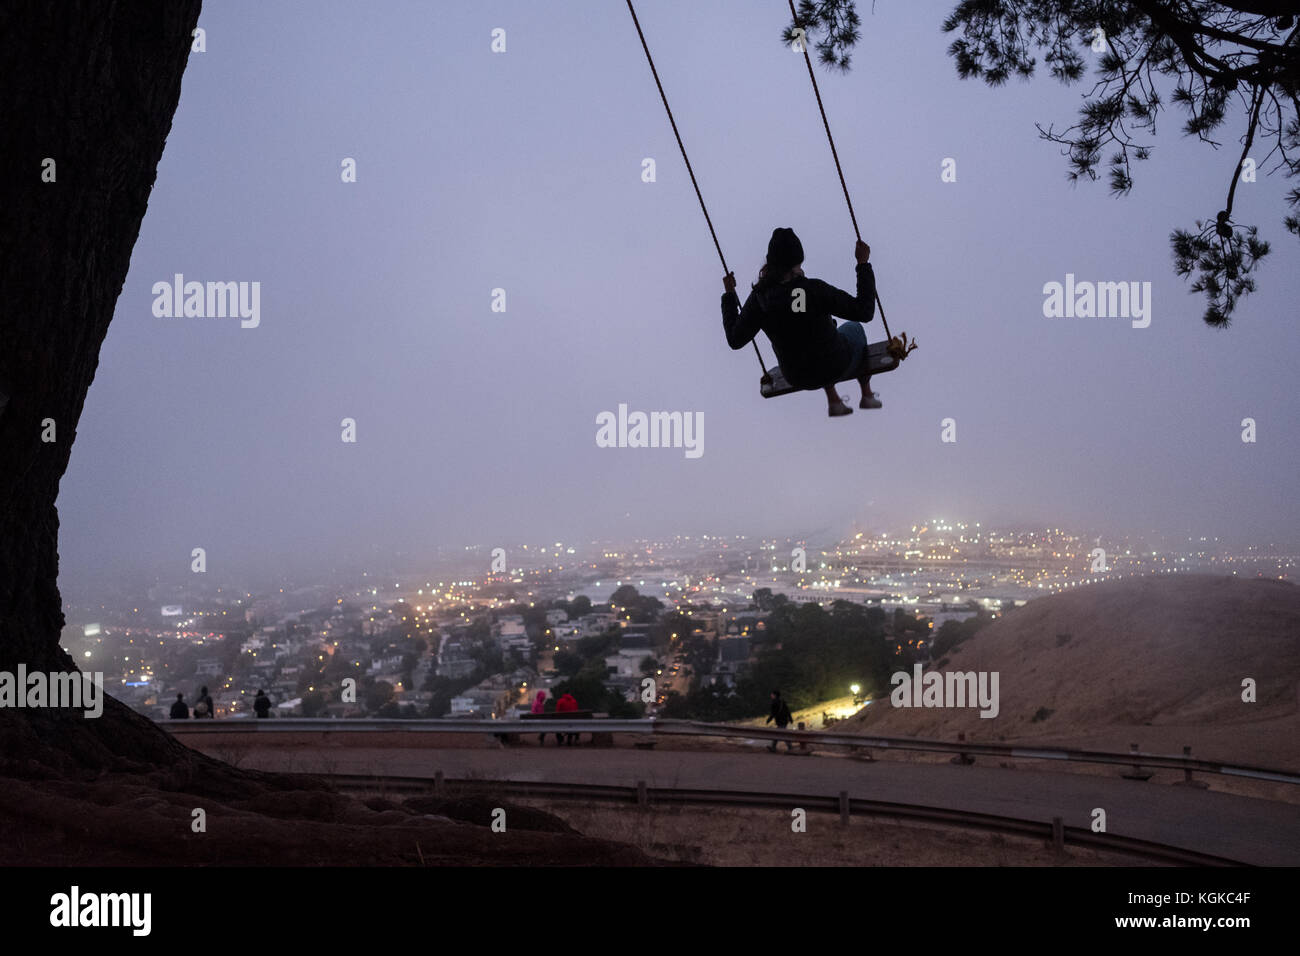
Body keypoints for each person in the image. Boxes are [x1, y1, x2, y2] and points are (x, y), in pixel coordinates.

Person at [722, 227, 880, 417]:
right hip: (835, 364)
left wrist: (730, 295)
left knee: (817, 336)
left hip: (797, 376)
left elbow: (735, 339)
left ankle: (834, 401)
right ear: (797, 260)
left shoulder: (760, 298)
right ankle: (867, 394)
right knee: (854, 328)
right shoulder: (813, 289)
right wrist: (862, 263)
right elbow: (864, 311)